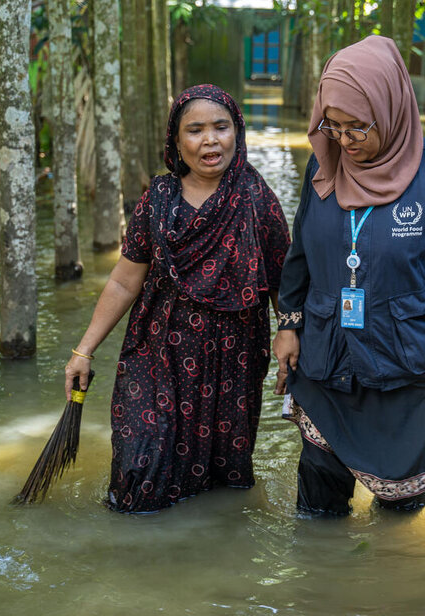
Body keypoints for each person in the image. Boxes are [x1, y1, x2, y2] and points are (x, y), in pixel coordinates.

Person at [65, 84, 290, 514]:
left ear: (237, 133)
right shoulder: (158, 198)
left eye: (221, 127)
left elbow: (283, 283)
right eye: (196, 130)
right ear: (176, 141)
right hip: (156, 352)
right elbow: (123, 282)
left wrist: (291, 343)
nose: (210, 140)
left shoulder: (255, 197)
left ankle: (205, 568)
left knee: (217, 487)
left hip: (233, 362)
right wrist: (84, 350)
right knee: (138, 480)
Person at [272, 36, 425, 515]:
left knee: (399, 517)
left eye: (357, 128)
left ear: (389, 109)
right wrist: (288, 324)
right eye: (333, 126)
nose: (344, 141)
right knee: (317, 511)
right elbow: (300, 252)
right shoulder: (324, 165)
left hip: (403, 362)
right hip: (326, 354)